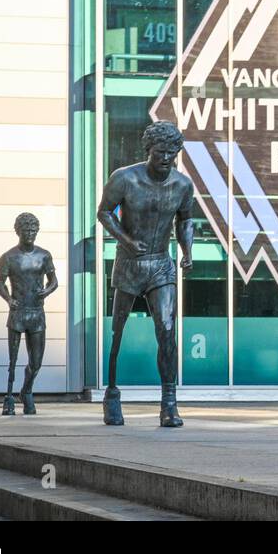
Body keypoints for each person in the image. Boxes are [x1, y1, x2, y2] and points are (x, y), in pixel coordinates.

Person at [97, 120, 195, 427]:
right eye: (160, 152)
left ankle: (169, 403)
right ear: (147, 150)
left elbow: (185, 221)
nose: (166, 158)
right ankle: (112, 395)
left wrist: (188, 251)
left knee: (167, 331)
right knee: (118, 332)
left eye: (172, 152)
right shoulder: (124, 178)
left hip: (161, 264)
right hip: (129, 263)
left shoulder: (182, 184)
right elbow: (103, 212)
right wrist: (125, 240)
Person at [0, 212, 57, 415]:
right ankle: (9, 398)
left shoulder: (44, 255)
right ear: (18, 231)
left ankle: (27, 390)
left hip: (37, 313)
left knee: (36, 361)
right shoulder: (9, 257)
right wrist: (9, 299)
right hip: (18, 312)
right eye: (25, 230)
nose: (29, 233)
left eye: (33, 230)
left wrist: (46, 291)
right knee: (12, 360)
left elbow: (54, 282)